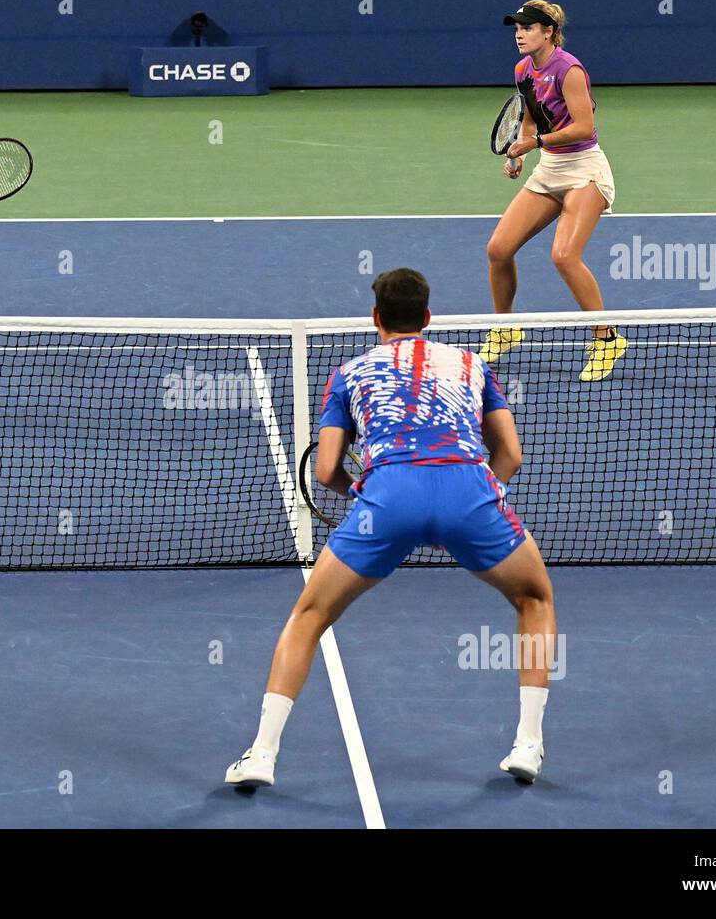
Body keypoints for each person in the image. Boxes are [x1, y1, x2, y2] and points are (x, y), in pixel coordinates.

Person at [226, 268, 558, 789]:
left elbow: (326, 469)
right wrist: (468, 503)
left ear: (375, 317)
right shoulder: (473, 365)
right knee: (535, 599)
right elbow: (510, 455)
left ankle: (262, 754)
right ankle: (529, 746)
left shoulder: (350, 373)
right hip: (468, 492)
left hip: (388, 499)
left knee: (310, 615)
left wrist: (365, 499)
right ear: (427, 318)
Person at [483, 0, 625, 382]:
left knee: (564, 255)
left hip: (584, 170)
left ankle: (607, 338)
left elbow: (583, 127)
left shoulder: (569, 69)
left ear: (548, 31)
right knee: (498, 249)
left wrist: (536, 143)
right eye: (516, 27)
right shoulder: (523, 69)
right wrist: (519, 156)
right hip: (550, 168)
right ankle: (505, 327)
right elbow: (529, 116)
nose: (519, 33)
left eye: (527, 28)